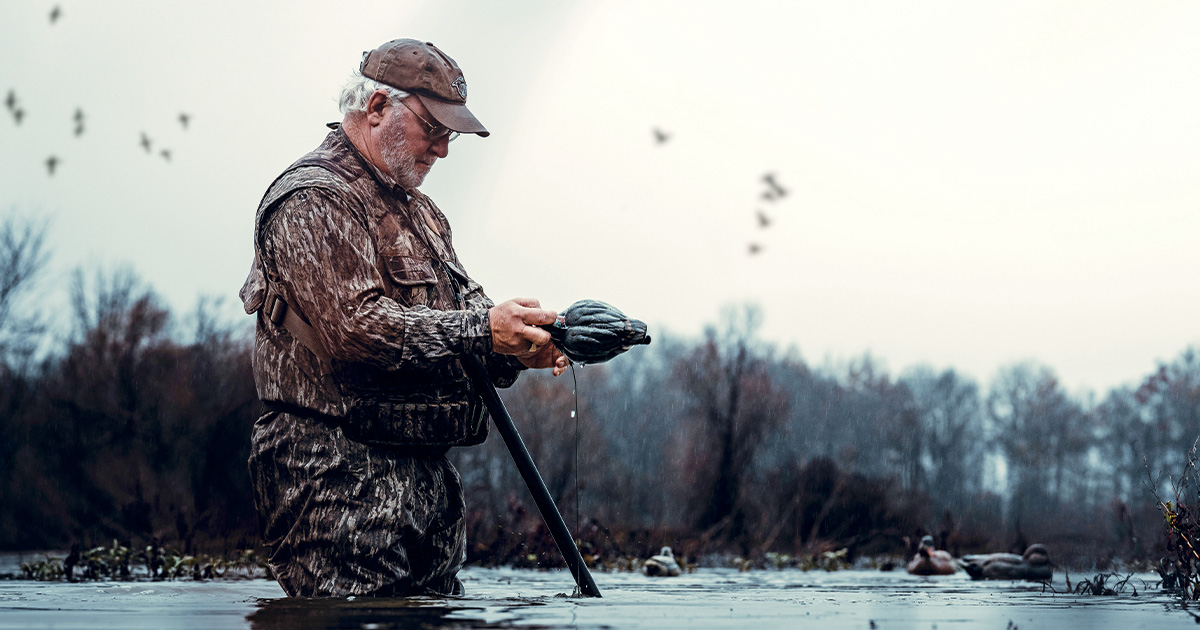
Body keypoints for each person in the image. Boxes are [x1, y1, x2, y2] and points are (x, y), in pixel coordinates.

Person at [239, 38, 568, 598]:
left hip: (426, 485)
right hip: (335, 480)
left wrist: (513, 349)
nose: (442, 149)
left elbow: (459, 327)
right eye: (432, 128)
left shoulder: (421, 213)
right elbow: (356, 329)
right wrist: (483, 329)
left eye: (451, 135)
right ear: (376, 108)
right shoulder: (313, 199)